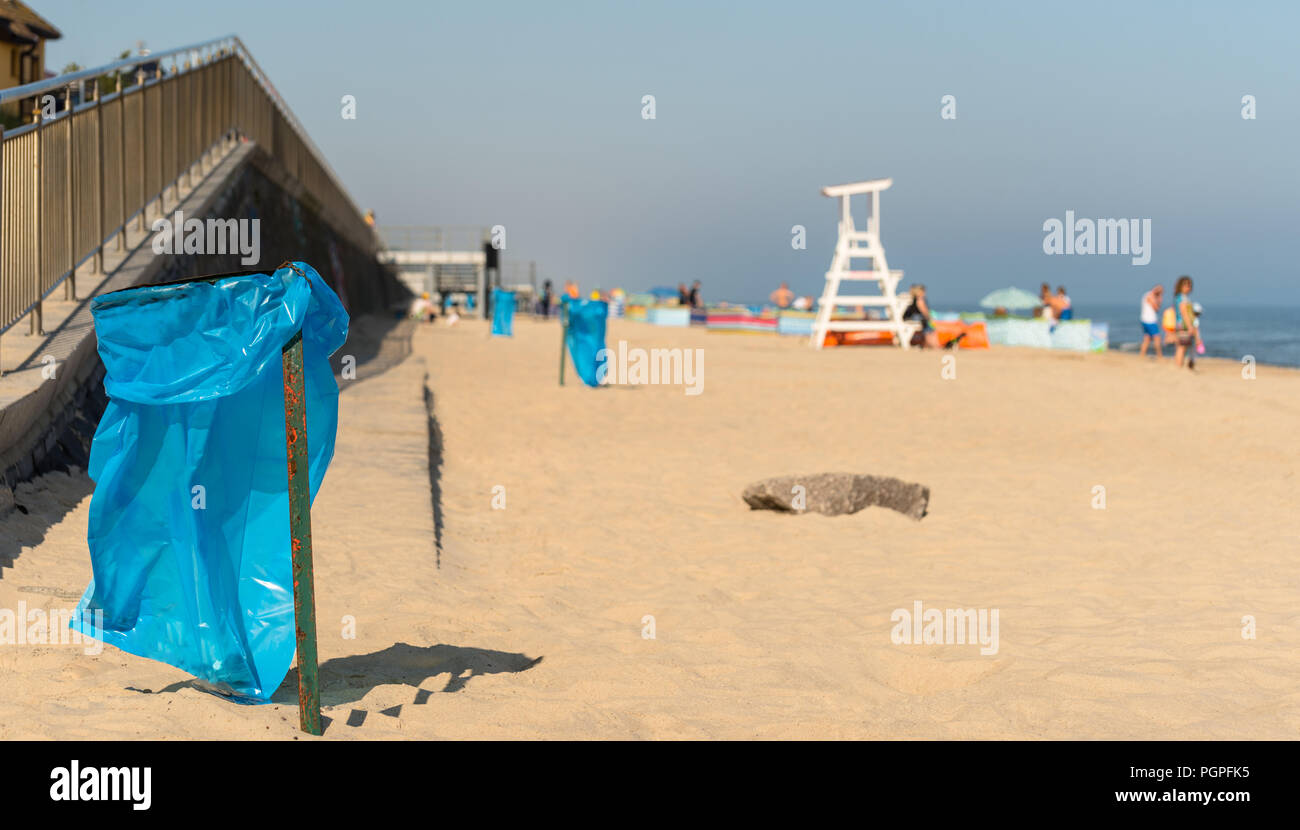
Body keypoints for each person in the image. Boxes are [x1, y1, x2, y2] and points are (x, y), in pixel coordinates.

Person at [1170, 275, 1199, 370]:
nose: (1188, 287)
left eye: (1189, 285)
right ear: (1180, 286)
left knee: (1182, 346)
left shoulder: (1180, 297)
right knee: (1182, 347)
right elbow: (1184, 313)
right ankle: (1178, 366)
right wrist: (1190, 326)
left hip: (1181, 325)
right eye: (1186, 285)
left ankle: (1179, 365)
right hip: (1183, 325)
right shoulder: (1181, 298)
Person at [902, 284, 940, 349]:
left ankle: (931, 345)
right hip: (917, 319)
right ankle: (934, 345)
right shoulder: (920, 299)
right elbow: (924, 311)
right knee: (929, 328)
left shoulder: (913, 298)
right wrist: (930, 319)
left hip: (912, 318)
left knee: (929, 327)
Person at [1138, 284, 1163, 360]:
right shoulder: (1150, 296)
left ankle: (1142, 354)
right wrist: (1159, 299)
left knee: (1147, 338)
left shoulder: (1147, 295)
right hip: (1150, 320)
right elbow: (1156, 308)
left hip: (1144, 320)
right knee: (1157, 338)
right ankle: (1159, 355)